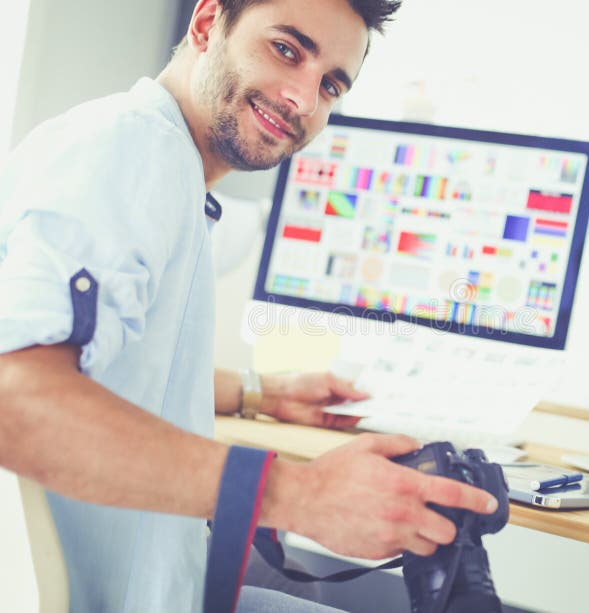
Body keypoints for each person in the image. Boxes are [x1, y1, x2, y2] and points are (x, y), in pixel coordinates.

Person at [0, 1, 499, 612]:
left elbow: (106, 365)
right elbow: (13, 399)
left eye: (331, 84)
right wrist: (298, 493)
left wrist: (259, 392)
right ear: (208, 23)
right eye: (287, 49)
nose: (303, 100)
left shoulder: (156, 163)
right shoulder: (134, 152)